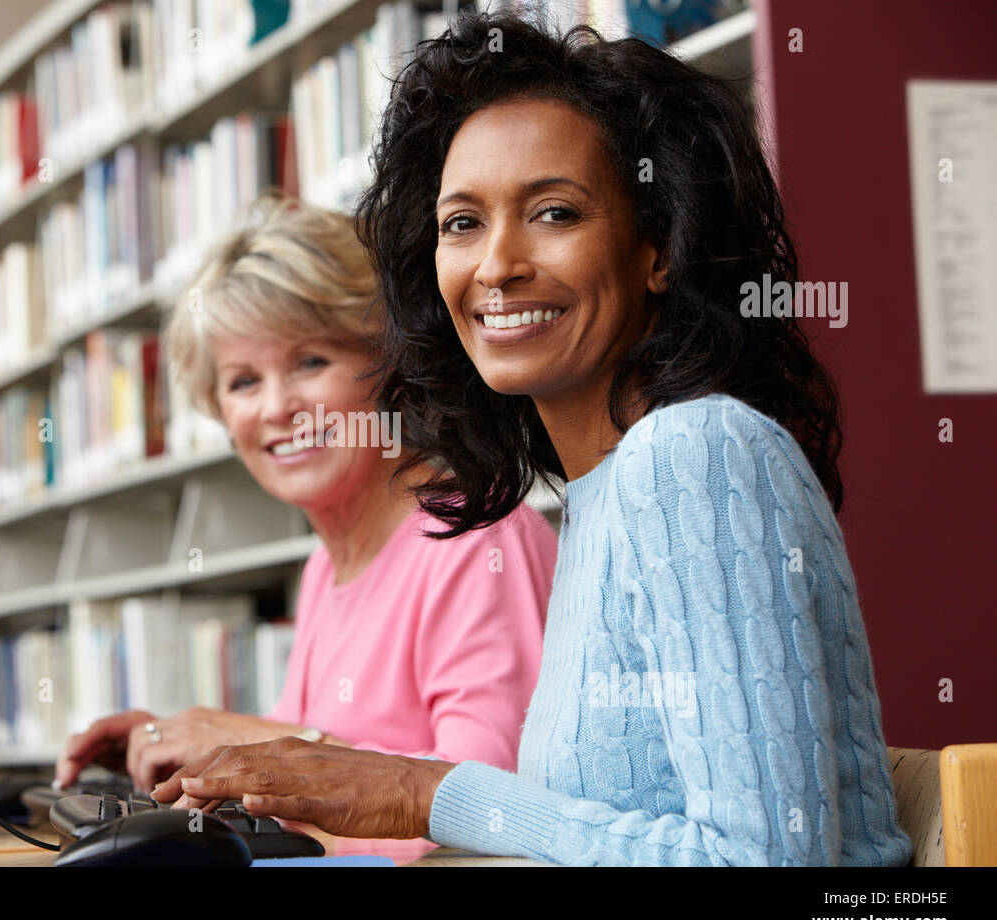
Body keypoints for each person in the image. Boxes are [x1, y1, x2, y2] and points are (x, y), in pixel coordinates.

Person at [152, 11, 914, 866]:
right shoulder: (601, 493)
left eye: (553, 212)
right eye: (462, 224)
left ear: (657, 248)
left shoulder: (696, 454)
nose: (496, 266)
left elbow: (770, 863)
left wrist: (423, 792)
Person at [53, 190, 558, 859]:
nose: (278, 407)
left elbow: (490, 824)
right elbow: (318, 809)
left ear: (389, 365)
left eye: (310, 362)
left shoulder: (476, 537)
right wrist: (189, 759)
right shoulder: (327, 565)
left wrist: (246, 742)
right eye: (241, 382)